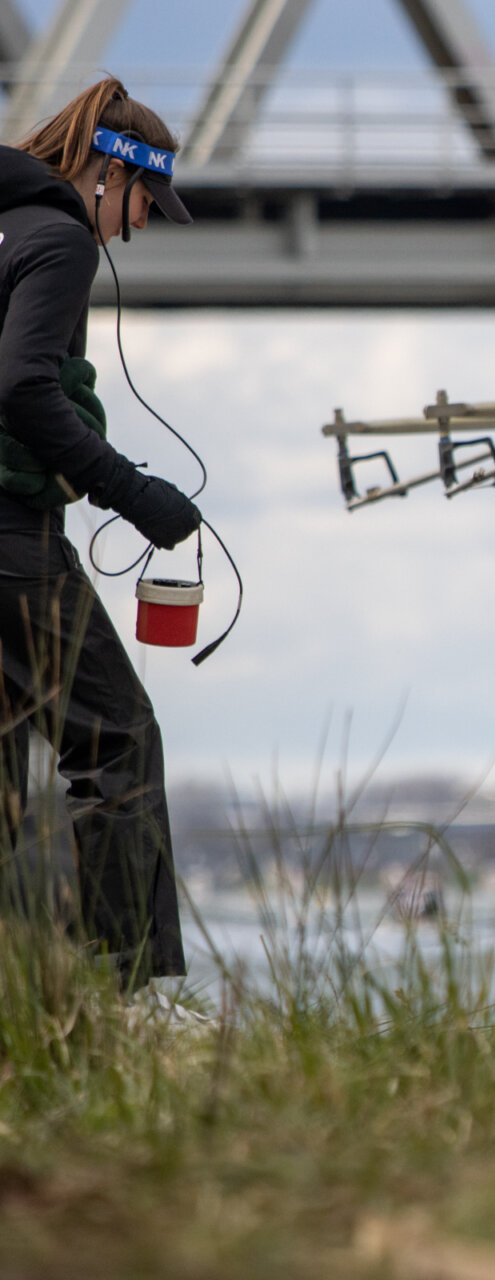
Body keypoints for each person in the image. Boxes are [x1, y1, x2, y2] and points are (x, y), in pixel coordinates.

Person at [0, 76, 201, 988]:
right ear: (104, 173)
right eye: (143, 202)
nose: (140, 226)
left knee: (7, 773)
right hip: (9, 538)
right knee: (118, 740)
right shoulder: (59, 241)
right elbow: (24, 389)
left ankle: (22, 996)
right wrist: (134, 494)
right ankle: (124, 990)